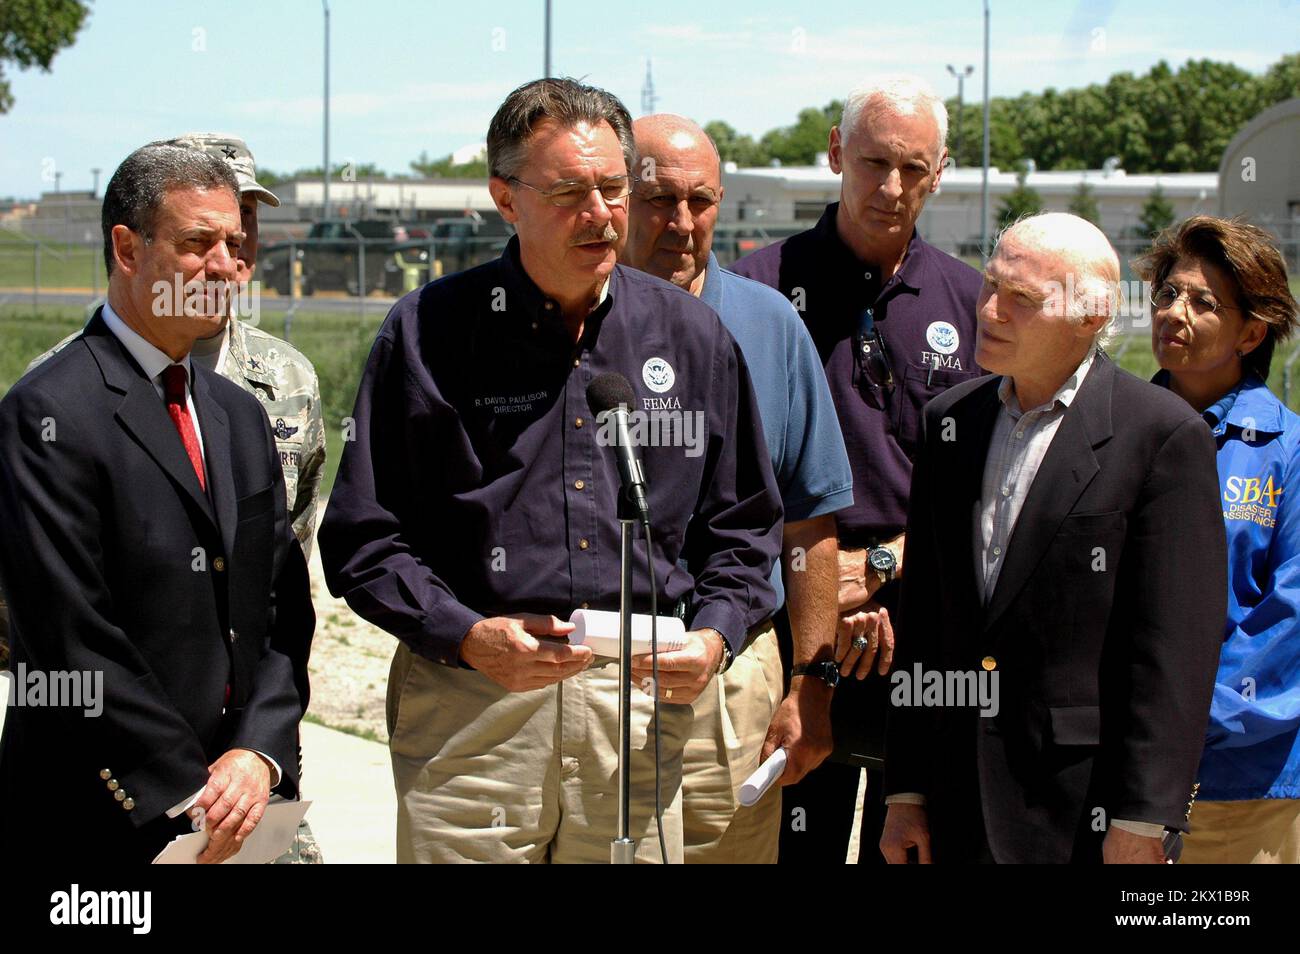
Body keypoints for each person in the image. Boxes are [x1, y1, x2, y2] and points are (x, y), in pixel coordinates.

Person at [318, 78, 783, 864]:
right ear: (505, 197)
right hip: (476, 709)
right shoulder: (428, 333)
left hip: (638, 718)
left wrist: (714, 636)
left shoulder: (691, 336)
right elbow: (365, 537)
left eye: (612, 187)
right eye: (570, 191)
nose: (601, 214)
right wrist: (465, 636)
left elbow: (742, 527)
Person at [0, 144, 314, 863]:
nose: (225, 265)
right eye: (196, 243)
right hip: (96, 817)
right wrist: (191, 790)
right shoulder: (48, 414)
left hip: (239, 810)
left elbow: (281, 612)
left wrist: (256, 757)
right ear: (127, 249)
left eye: (234, 244)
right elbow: (70, 637)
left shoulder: (239, 417)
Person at [880, 212, 1226, 863]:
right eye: (989, 286)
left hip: (1083, 812)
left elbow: (1174, 650)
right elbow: (924, 619)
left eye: (1022, 300)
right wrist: (905, 793)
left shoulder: (1162, 437)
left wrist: (1146, 819)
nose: (988, 310)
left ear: (1091, 316)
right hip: (956, 804)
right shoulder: (949, 422)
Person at [731, 74, 983, 862]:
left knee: (913, 846)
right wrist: (815, 594)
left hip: (926, 633)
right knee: (792, 845)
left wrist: (879, 568)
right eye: (875, 162)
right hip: (792, 638)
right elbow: (728, 475)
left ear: (939, 173)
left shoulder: (975, 304)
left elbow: (991, 482)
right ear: (837, 153)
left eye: (914, 168)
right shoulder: (752, 292)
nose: (892, 187)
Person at [624, 114, 853, 863]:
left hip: (729, 677)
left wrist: (812, 684)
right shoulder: (578, 324)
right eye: (659, 200)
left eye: (703, 200)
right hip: (598, 675)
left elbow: (810, 524)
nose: (682, 223)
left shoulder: (771, 324)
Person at [1137, 215, 1300, 864]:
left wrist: (1180, 721)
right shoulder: (1115, 429)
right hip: (1120, 776)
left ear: (1252, 332)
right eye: (1168, 294)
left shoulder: (1285, 454)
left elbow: (1288, 620)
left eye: (1204, 303)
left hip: (1242, 785)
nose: (1174, 312)